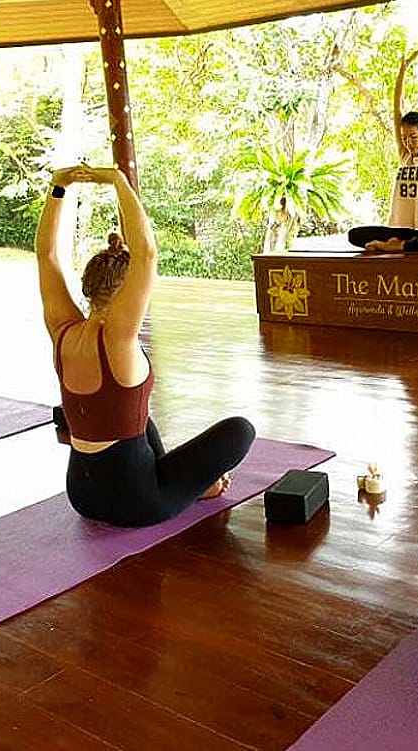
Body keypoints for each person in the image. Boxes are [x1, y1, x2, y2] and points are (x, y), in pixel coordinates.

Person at [36, 164, 255, 527]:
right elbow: (146, 254)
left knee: (139, 414)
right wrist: (118, 181)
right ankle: (192, 488)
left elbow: (46, 255)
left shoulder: (62, 331)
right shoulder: (120, 339)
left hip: (81, 493)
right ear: (127, 293)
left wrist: (58, 187)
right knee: (241, 430)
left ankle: (186, 486)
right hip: (134, 501)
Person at [347, 49, 418, 251]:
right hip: (399, 229)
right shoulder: (404, 155)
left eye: (413, 137)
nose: (408, 142)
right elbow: (396, 108)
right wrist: (402, 69)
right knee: (354, 235)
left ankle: (399, 247)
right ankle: (399, 243)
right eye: (404, 138)